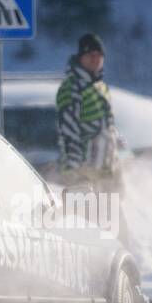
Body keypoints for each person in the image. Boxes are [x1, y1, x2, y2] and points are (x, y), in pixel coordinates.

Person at [56, 33, 128, 246]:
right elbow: (67, 129)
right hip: (83, 171)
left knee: (114, 230)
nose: (96, 59)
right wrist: (73, 169)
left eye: (99, 55)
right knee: (85, 229)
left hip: (105, 172)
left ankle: (115, 264)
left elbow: (109, 128)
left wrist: (118, 166)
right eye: (90, 55)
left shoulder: (101, 87)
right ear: (81, 57)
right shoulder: (72, 87)